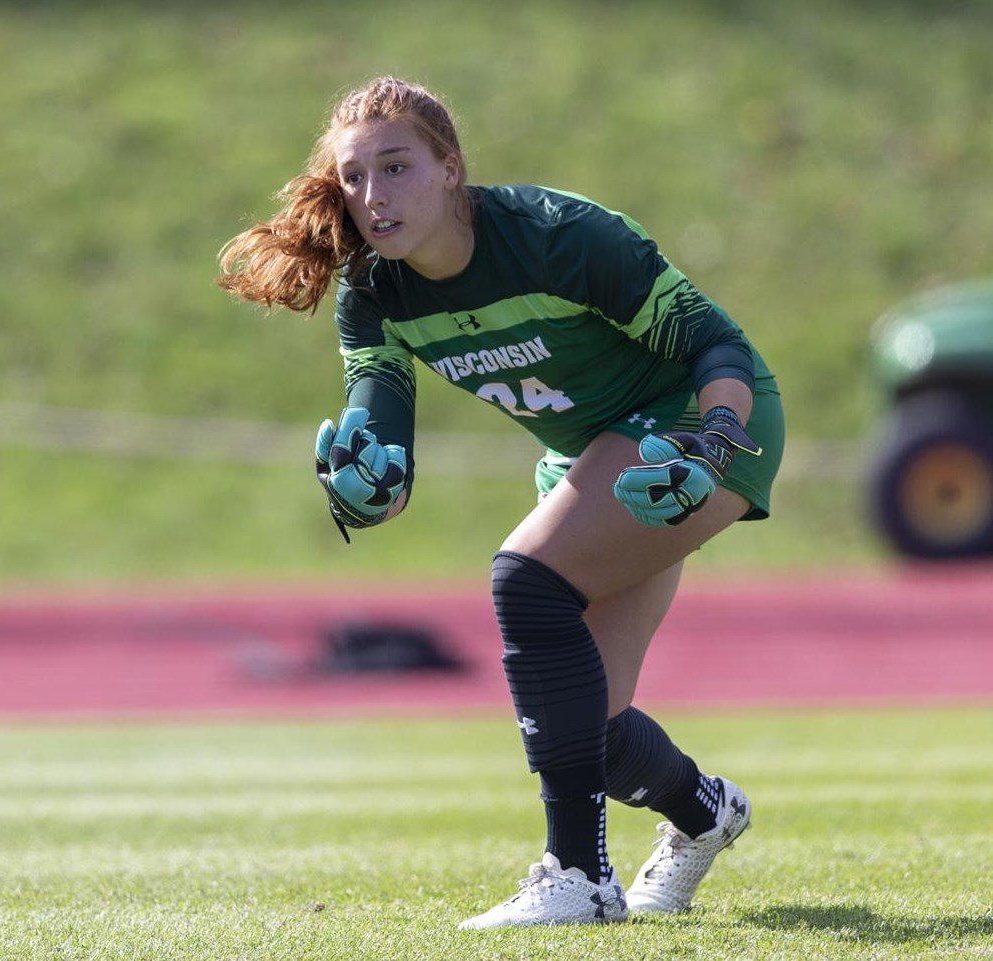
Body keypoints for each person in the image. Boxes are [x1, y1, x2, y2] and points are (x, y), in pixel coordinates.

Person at [216, 76, 786, 929]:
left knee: (524, 580)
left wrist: (710, 443)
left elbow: (717, 343)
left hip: (692, 428)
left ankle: (577, 875)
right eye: (356, 177)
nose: (374, 196)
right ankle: (704, 813)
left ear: (451, 170)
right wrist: (368, 480)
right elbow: (383, 426)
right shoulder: (373, 291)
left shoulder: (558, 237)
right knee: (587, 724)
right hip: (588, 455)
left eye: (397, 167)